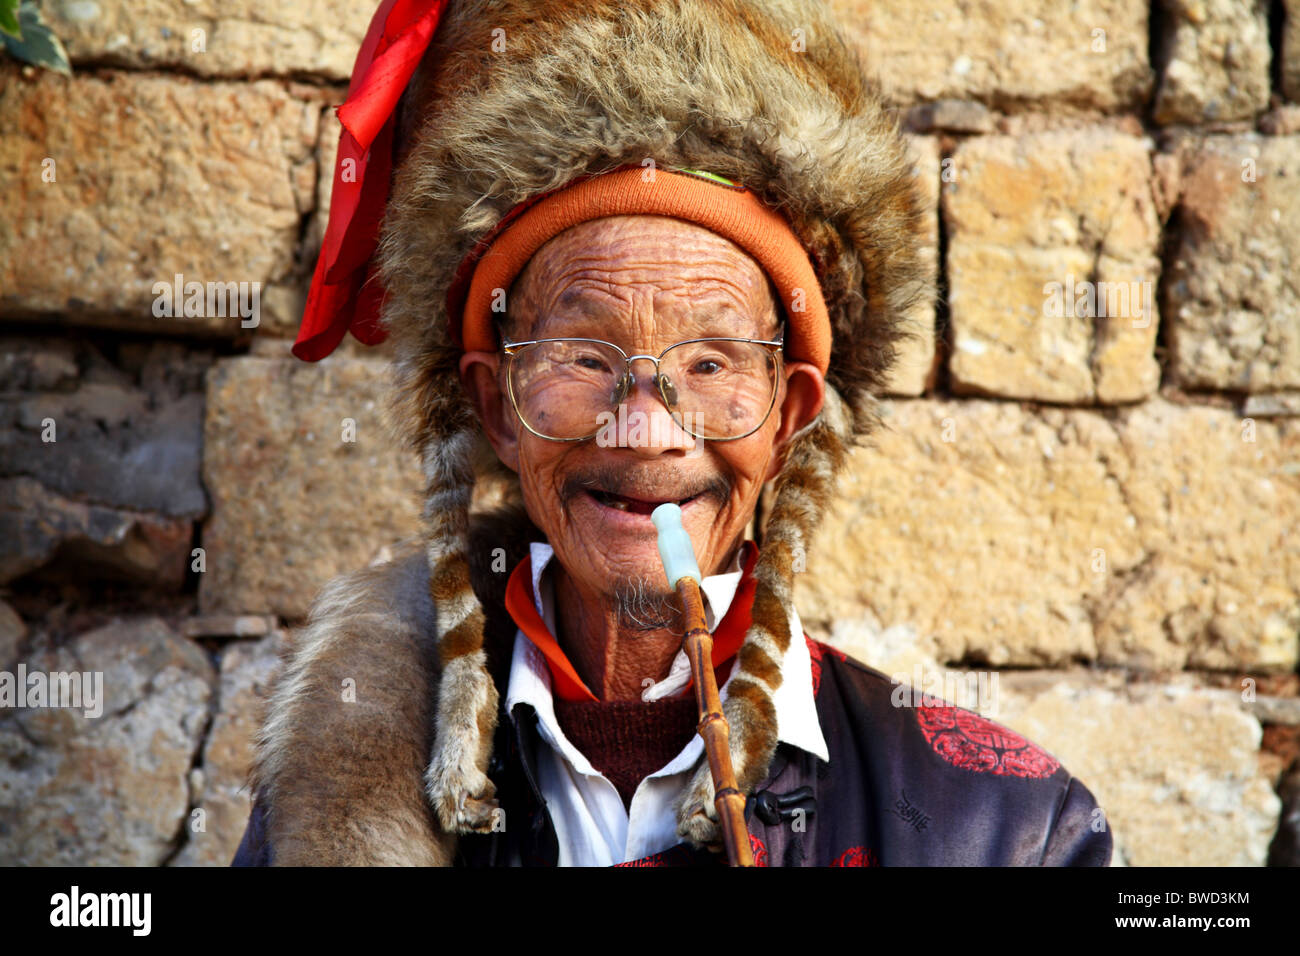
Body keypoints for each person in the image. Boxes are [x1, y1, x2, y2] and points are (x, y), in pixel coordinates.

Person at [232, 0, 1111, 867]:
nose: (648, 430)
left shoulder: (1005, 830)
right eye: (581, 357)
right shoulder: (344, 795)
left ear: (789, 417)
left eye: (712, 365)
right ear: (498, 408)